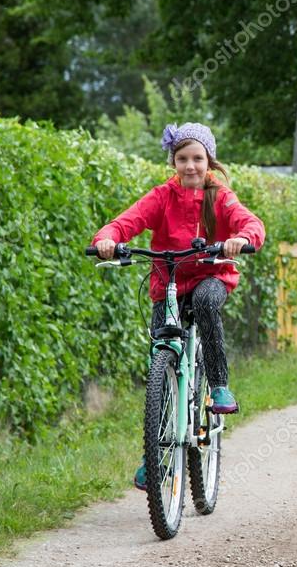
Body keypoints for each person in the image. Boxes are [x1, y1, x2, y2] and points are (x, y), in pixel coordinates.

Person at [91, 122, 265, 489]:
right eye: (182, 159)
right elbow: (127, 222)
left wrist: (240, 239)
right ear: (173, 161)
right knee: (161, 356)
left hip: (212, 275)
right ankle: (154, 456)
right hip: (168, 283)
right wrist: (107, 239)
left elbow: (250, 223)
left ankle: (218, 386)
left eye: (198, 159)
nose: (190, 167)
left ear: (209, 161)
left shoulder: (220, 196)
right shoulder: (161, 196)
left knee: (205, 302)